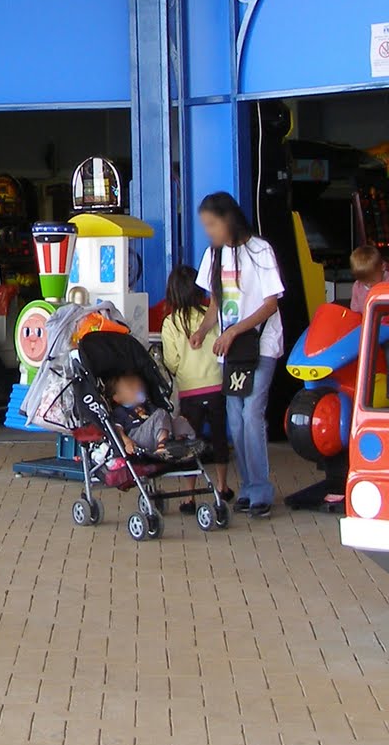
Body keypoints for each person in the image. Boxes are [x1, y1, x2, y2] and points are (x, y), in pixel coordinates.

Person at [190, 192, 283, 518]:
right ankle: (247, 487)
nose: (209, 231)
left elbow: (270, 304)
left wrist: (233, 331)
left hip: (260, 345)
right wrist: (203, 330)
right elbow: (215, 302)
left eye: (212, 224)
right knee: (235, 420)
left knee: (251, 415)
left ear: (228, 219)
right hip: (231, 352)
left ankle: (260, 489)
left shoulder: (260, 250)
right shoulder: (214, 255)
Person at [161, 265, 232, 509]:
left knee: (189, 443)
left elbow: (171, 362)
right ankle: (222, 486)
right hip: (216, 388)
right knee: (220, 439)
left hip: (189, 392)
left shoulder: (171, 323)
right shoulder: (211, 315)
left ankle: (190, 496)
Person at [350, 244, 389, 403]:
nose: (369, 285)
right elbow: (356, 311)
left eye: (372, 280)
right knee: (352, 354)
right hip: (370, 331)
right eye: (365, 282)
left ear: (382, 268)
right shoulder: (357, 287)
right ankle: (357, 394)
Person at [106, 371, 195, 456]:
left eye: (138, 385)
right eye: (131, 387)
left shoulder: (147, 405)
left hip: (154, 433)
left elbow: (163, 421)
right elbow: (117, 430)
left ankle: (180, 442)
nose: (137, 388)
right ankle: (163, 444)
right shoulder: (120, 411)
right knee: (160, 413)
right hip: (137, 438)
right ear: (117, 398)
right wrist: (127, 442)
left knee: (179, 420)